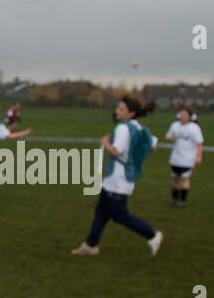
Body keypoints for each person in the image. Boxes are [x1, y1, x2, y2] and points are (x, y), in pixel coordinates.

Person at [71, 95, 163, 256]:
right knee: (101, 212)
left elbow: (116, 150)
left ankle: (152, 235)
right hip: (120, 177)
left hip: (117, 179)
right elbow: (153, 144)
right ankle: (91, 245)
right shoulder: (138, 127)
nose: (117, 111)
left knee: (120, 215)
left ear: (132, 113)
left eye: (121, 109)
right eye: (118, 108)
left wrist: (106, 142)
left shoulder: (123, 128)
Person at [165, 106, 204, 207]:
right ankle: (174, 198)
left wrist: (199, 156)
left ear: (190, 116)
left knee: (185, 178)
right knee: (175, 179)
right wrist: (172, 137)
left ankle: (182, 200)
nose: (182, 116)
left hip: (188, 158)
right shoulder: (175, 125)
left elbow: (199, 143)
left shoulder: (194, 127)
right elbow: (168, 136)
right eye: (181, 114)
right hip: (175, 158)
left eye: (185, 114)